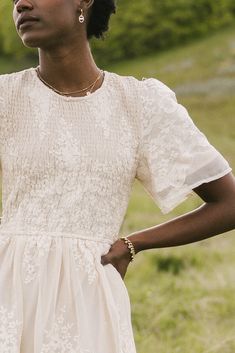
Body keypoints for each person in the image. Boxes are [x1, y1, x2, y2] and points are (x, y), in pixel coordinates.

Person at [0, 0, 234, 352]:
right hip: (9, 296)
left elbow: (229, 203)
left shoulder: (139, 104)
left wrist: (134, 243)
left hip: (89, 303)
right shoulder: (5, 98)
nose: (22, 3)